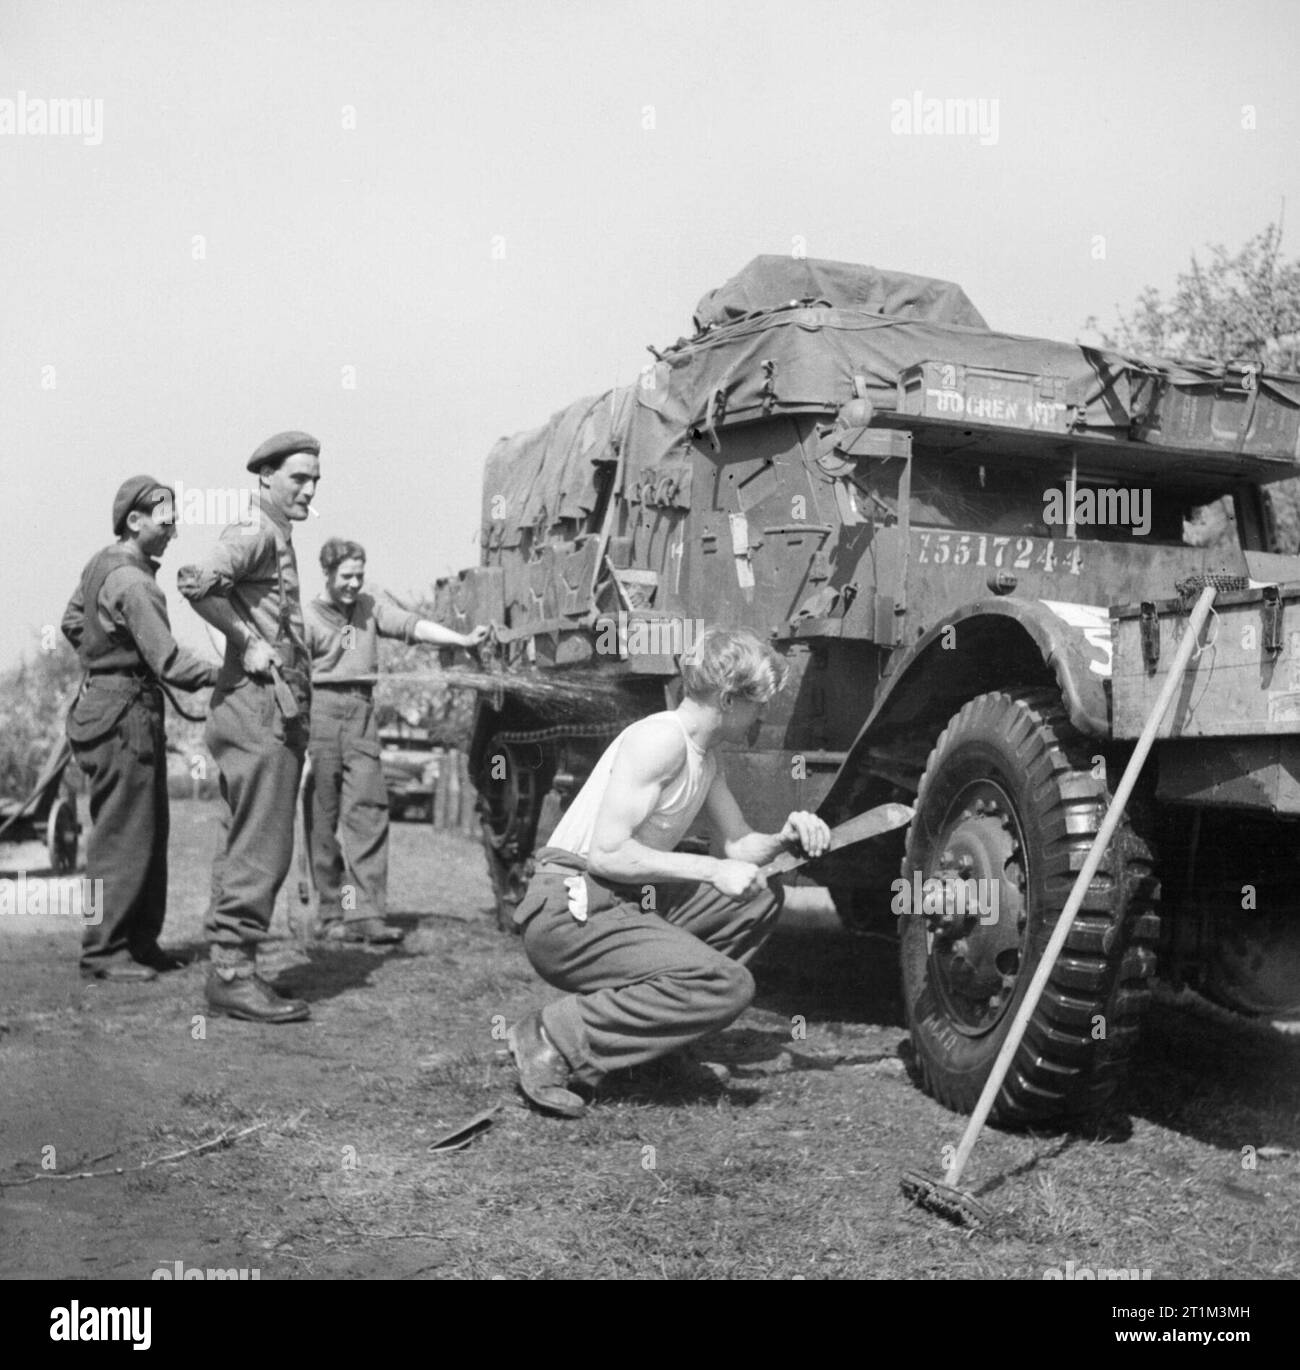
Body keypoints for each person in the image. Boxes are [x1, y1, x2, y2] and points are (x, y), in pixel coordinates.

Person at [507, 626, 830, 1117]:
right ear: (727, 698)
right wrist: (711, 869)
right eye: (758, 702)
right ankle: (554, 1035)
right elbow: (608, 855)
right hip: (567, 907)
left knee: (762, 897)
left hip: (617, 896)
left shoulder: (706, 758)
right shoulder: (661, 739)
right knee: (729, 985)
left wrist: (787, 836)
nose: (763, 714)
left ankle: (657, 1052)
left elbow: (740, 846)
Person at [177, 431, 320, 1023]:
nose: (309, 490)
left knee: (243, 838)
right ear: (265, 477)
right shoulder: (256, 530)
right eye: (298, 479)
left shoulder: (274, 533)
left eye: (315, 480)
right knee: (262, 843)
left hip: (263, 708)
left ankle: (230, 969)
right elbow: (195, 581)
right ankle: (234, 973)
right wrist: (248, 641)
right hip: (257, 709)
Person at [61, 476, 219, 981]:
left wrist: (105, 653)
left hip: (114, 706)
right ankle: (104, 952)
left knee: (144, 832)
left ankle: (138, 944)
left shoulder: (100, 567)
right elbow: (170, 661)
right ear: (135, 521)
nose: (174, 528)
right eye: (165, 517)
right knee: (121, 838)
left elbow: (70, 621)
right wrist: (231, 671)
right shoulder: (134, 582)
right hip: (124, 715)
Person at [302, 537, 489, 944]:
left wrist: (461, 641)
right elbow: (293, 676)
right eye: (346, 576)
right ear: (328, 574)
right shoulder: (306, 618)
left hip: (362, 714)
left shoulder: (369, 609)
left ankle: (365, 915)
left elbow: (411, 626)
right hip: (319, 713)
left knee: (368, 812)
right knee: (322, 819)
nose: (353, 584)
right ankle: (331, 912)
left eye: (359, 576)